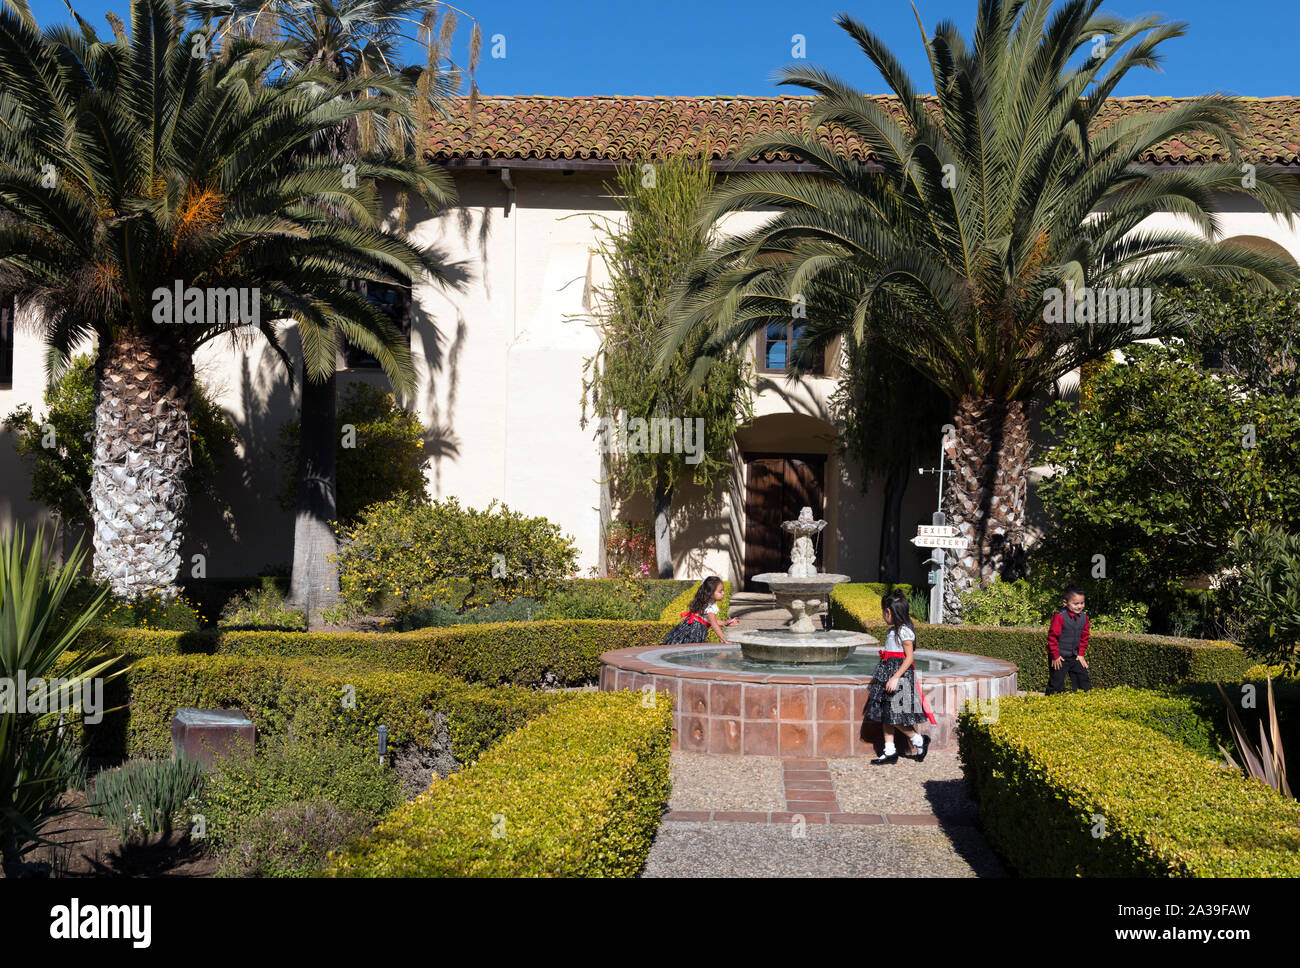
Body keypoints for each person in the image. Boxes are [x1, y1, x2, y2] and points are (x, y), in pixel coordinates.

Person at [864, 589, 935, 764]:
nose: (883, 615)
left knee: (895, 715)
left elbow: (909, 658)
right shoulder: (892, 631)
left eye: (884, 612)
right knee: (885, 713)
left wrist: (895, 677)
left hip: (899, 676)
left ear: (889, 612)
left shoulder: (905, 632)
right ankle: (890, 751)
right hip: (886, 673)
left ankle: (919, 740)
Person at [661, 576, 738, 645]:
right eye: (720, 591)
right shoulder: (710, 608)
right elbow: (714, 625)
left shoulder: (706, 603)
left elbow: (710, 620)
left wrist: (725, 623)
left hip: (690, 628)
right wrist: (725, 640)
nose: (723, 593)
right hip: (694, 632)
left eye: (723, 590)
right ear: (710, 593)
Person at [1046, 585, 1092, 694]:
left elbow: (1084, 637)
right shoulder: (1059, 617)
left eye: (1082, 603)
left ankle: (1084, 704)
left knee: (1083, 681)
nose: (1079, 606)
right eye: (1076, 604)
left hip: (1075, 656)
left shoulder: (1084, 618)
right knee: (1056, 684)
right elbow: (1052, 637)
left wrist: (1081, 654)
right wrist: (1055, 656)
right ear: (1065, 603)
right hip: (1059, 657)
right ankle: (1050, 705)